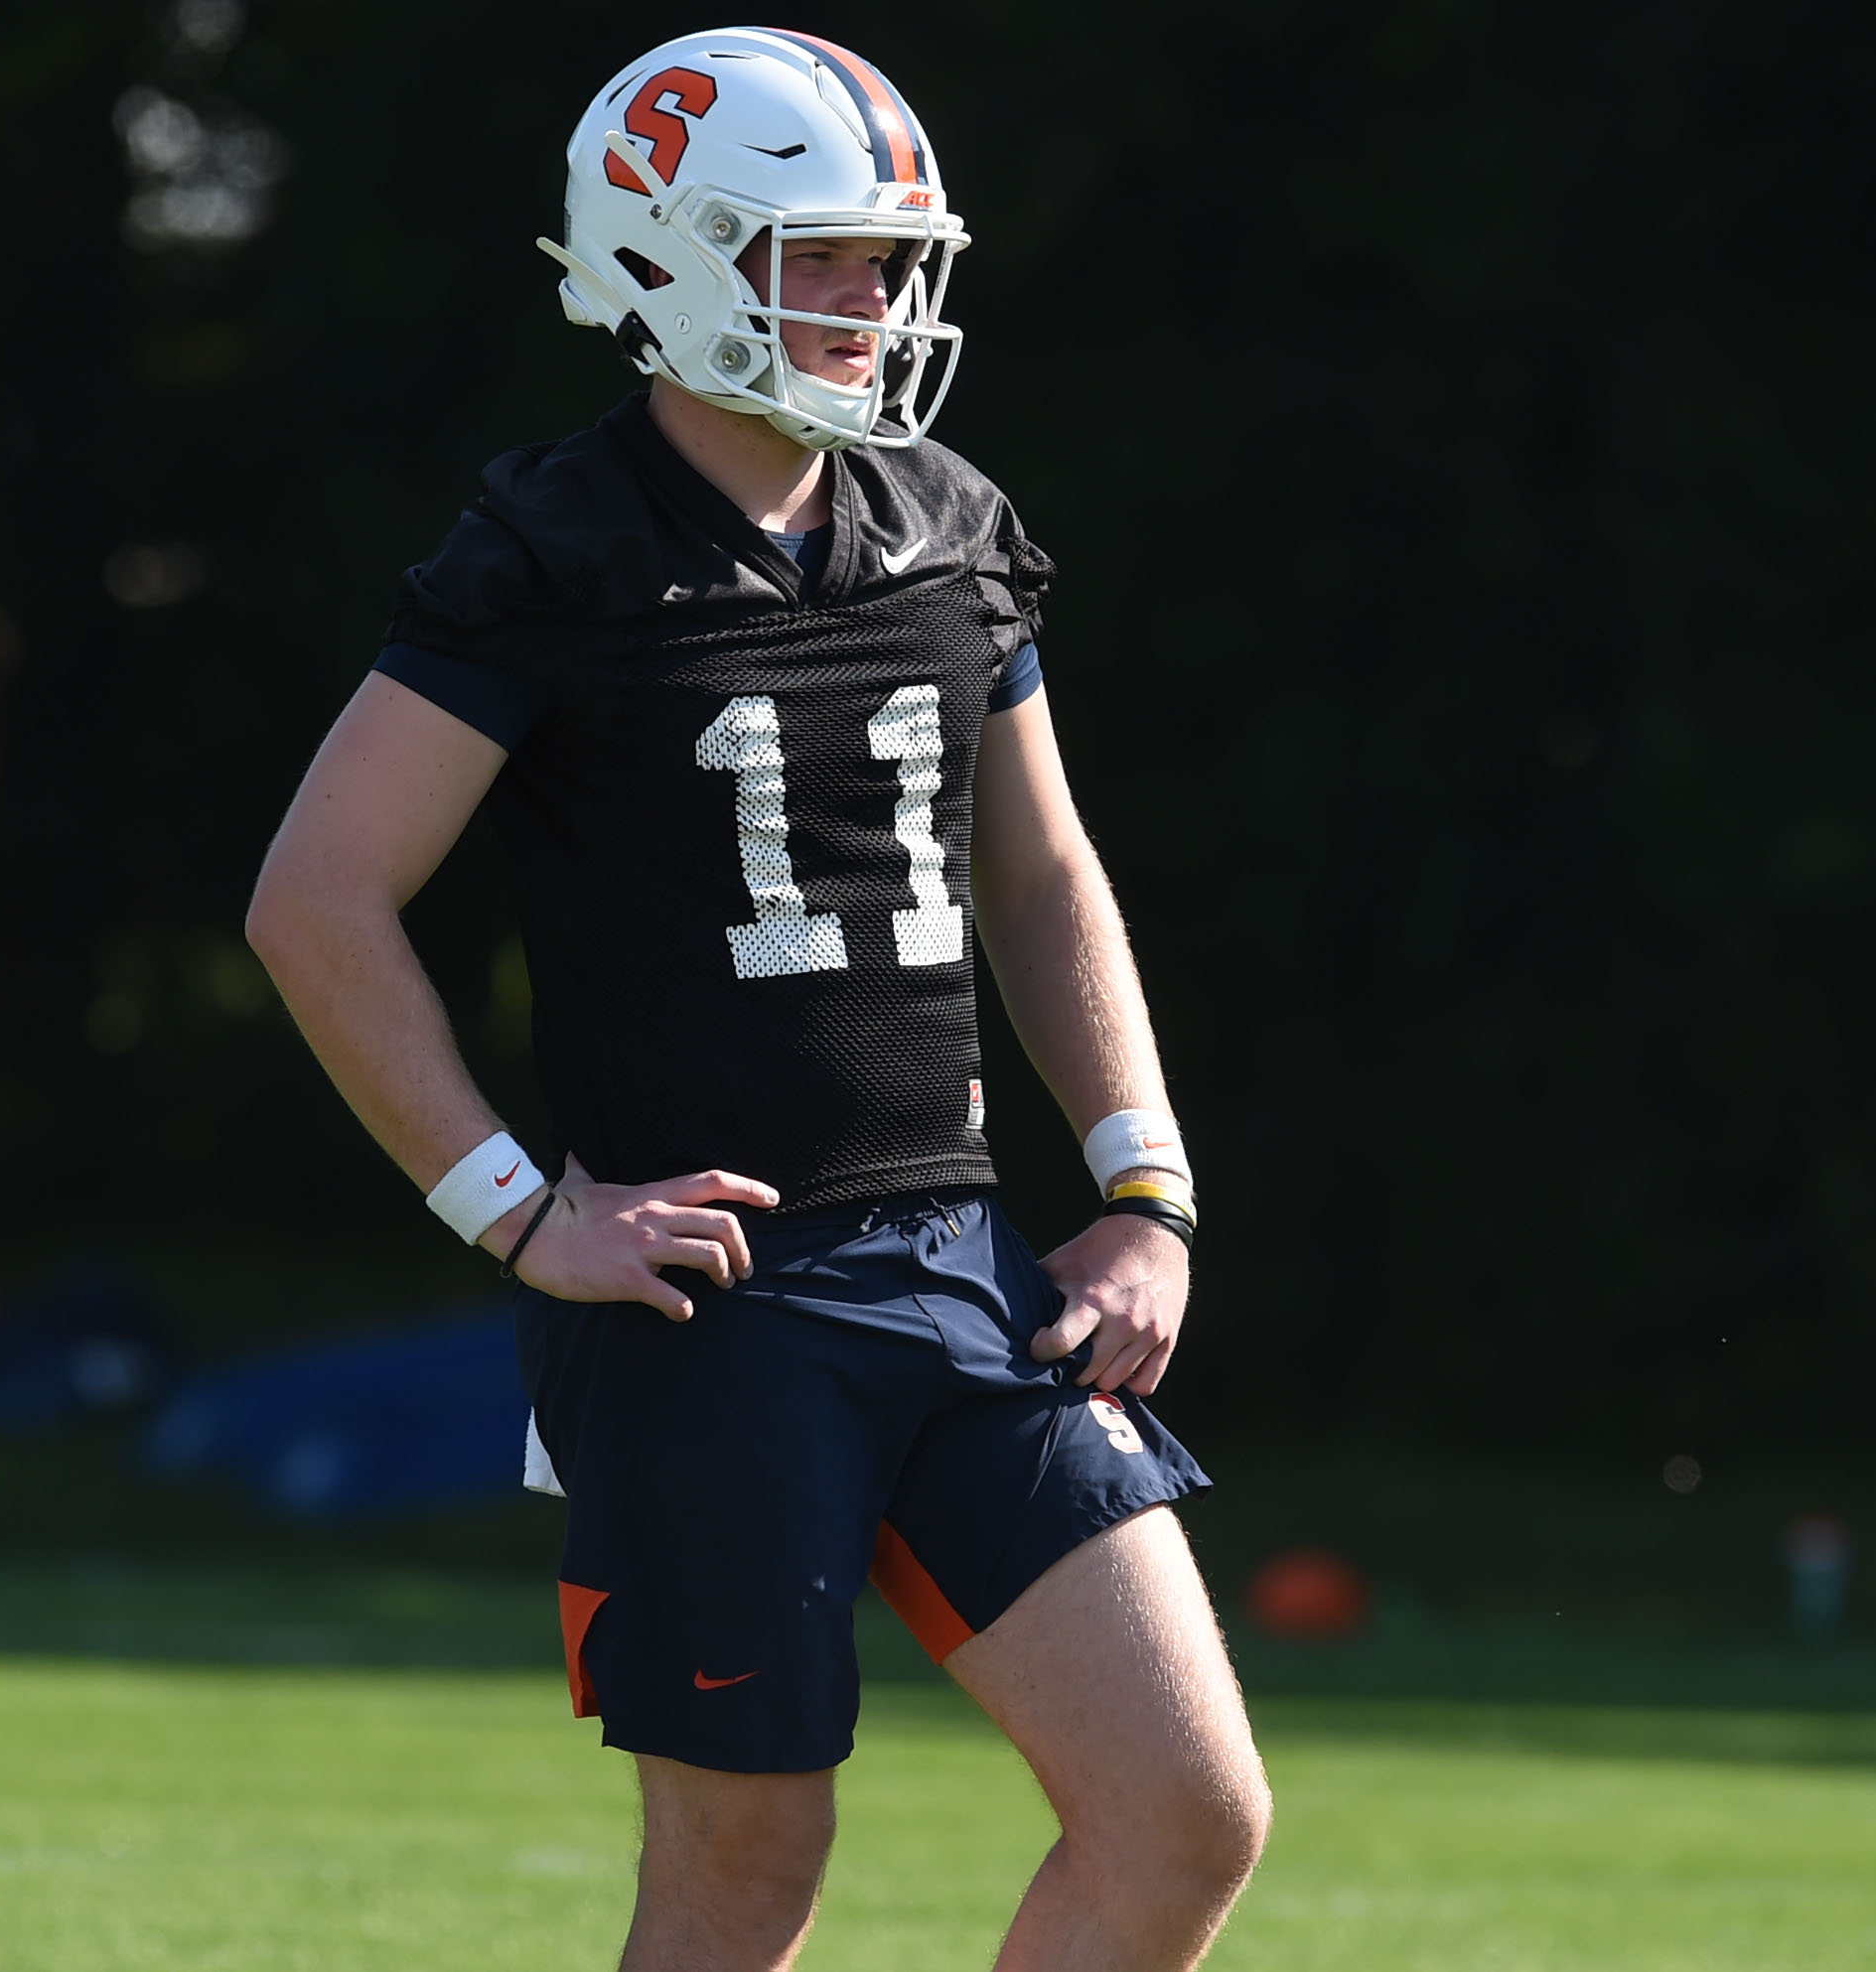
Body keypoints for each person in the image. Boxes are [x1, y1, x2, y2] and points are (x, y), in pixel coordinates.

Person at [242, 27, 1270, 1972]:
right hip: (707, 1300)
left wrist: (1143, 1190)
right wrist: (517, 1209)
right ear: (675, 253)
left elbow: (1042, 874)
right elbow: (317, 900)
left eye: (891, 261)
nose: (876, 303)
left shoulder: (950, 523)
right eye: (827, 256)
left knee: (1184, 1814)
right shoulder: (558, 548)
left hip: (958, 1266)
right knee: (745, 1876)